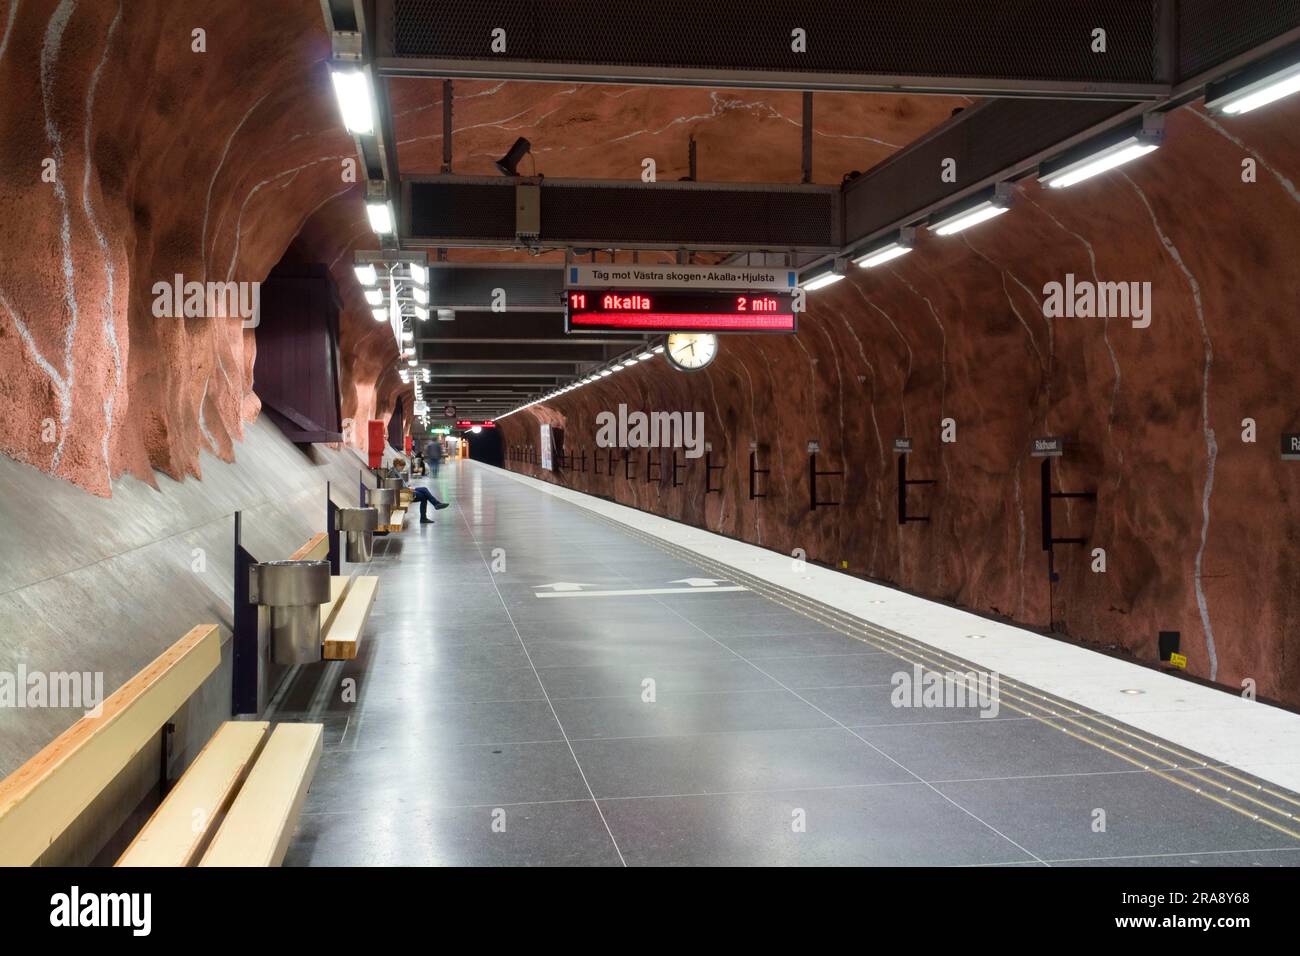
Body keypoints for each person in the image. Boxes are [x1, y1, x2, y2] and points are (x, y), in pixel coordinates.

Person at [390, 456, 449, 523]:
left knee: (424, 489)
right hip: (404, 493)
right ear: (397, 465)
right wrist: (408, 489)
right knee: (424, 497)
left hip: (406, 490)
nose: (403, 469)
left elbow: (400, 484)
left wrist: (408, 487)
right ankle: (433, 508)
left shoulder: (395, 471)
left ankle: (435, 505)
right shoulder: (393, 473)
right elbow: (396, 487)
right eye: (402, 467)